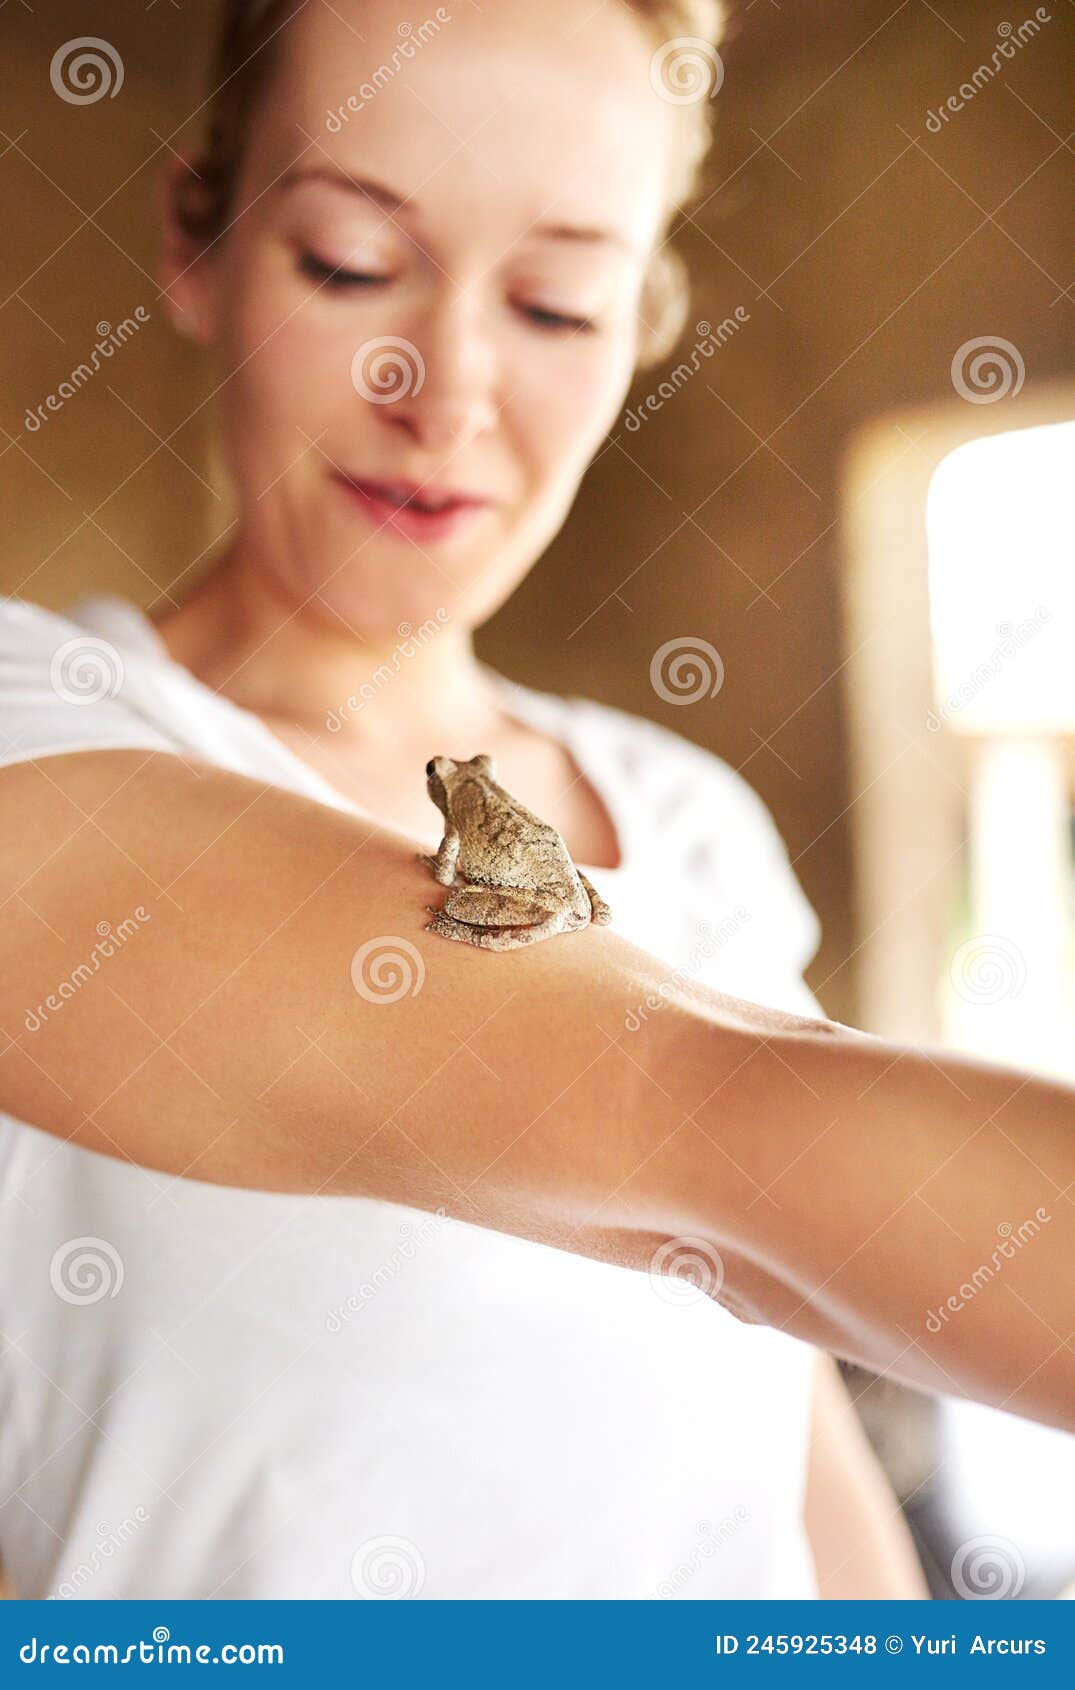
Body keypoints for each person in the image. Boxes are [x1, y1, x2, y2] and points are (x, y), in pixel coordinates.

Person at [1, 0, 1070, 1602]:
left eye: (561, 304)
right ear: (196, 235)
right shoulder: (38, 726)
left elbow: (795, 1487)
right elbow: (706, 1107)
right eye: (353, 265)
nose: (447, 394)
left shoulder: (687, 816)